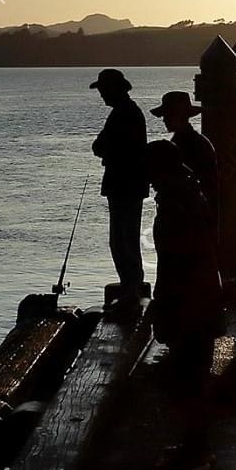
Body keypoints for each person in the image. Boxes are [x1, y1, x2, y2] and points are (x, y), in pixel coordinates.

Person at [144, 140, 222, 470]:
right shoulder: (192, 193)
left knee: (186, 377)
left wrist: (163, 306)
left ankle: (194, 453)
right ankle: (196, 446)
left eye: (150, 171)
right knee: (195, 375)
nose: (147, 178)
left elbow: (174, 264)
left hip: (189, 303)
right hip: (204, 297)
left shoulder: (175, 204)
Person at [91, 68, 149, 301]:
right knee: (123, 239)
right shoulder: (126, 112)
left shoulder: (124, 114)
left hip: (125, 186)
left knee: (123, 239)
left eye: (103, 90)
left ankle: (131, 288)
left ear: (114, 89)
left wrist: (107, 151)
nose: (101, 95)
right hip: (127, 185)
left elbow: (101, 146)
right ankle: (131, 286)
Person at [151, 91, 217, 219]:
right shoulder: (196, 141)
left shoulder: (186, 144)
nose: (164, 119)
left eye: (168, 115)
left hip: (189, 213)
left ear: (179, 116)